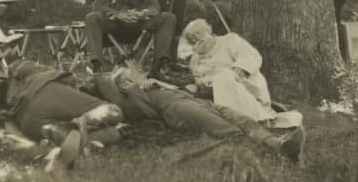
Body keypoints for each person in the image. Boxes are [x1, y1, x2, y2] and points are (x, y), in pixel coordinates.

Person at [91, 64, 306, 164]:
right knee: (226, 129)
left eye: (136, 74)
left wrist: (158, 82)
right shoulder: (132, 91)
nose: (138, 75)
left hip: (195, 101)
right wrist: (134, 90)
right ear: (124, 82)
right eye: (131, 76)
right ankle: (265, 159)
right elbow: (146, 113)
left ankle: (279, 145)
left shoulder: (153, 84)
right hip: (178, 109)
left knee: (243, 119)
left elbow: (181, 90)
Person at [0, 60, 126, 150]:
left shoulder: (11, 92)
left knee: (114, 133)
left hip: (26, 121)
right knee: (114, 111)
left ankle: (70, 138)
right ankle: (82, 122)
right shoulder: (27, 72)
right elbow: (25, 67)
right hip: (45, 91)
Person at [182, 19, 276, 123]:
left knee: (224, 78)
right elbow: (198, 78)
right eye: (191, 38)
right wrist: (198, 84)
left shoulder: (229, 40)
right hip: (214, 92)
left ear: (208, 30)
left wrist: (242, 68)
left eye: (198, 33)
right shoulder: (194, 59)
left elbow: (250, 54)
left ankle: (253, 118)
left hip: (242, 84)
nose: (196, 38)